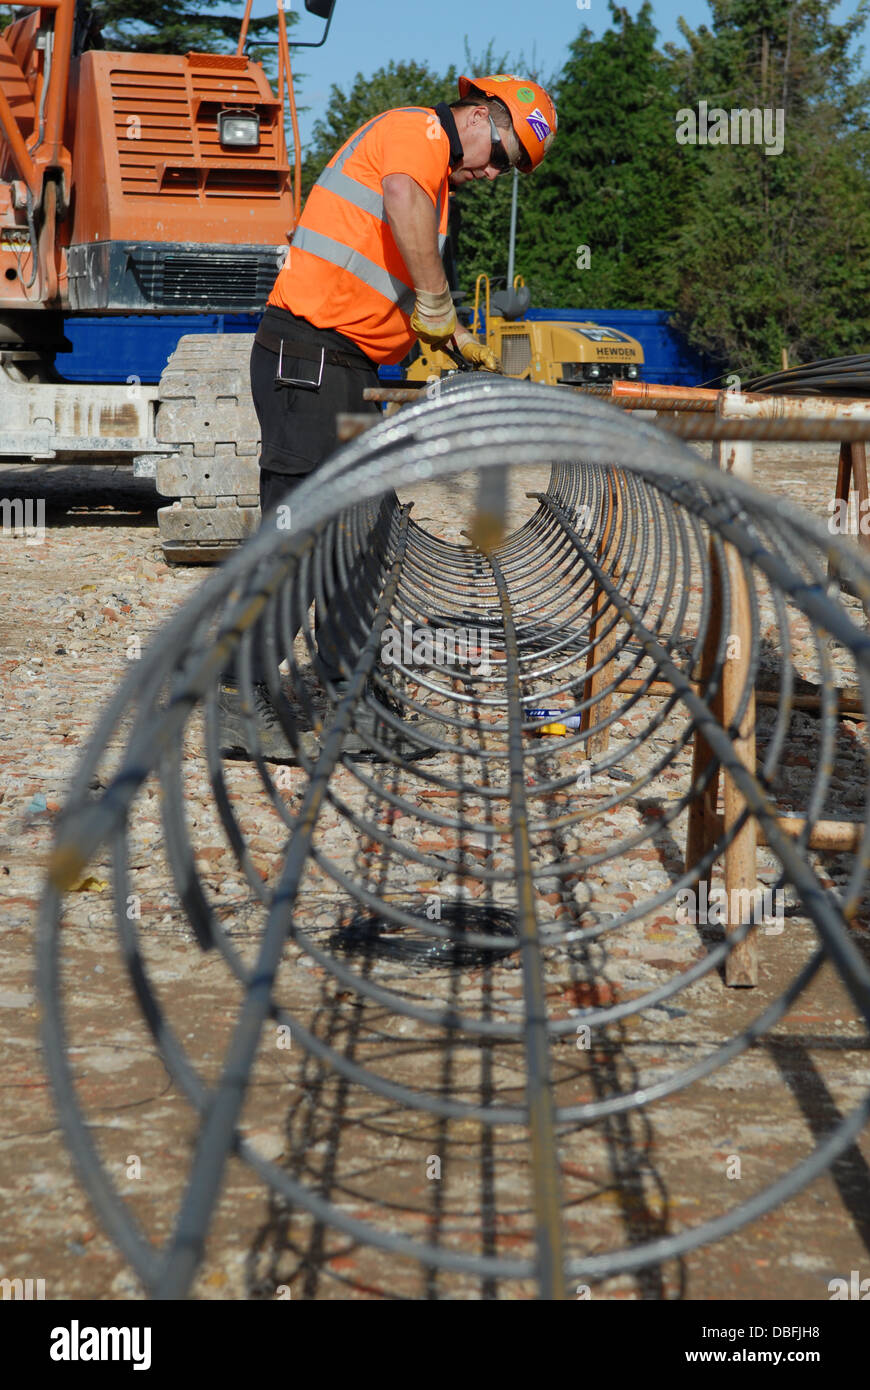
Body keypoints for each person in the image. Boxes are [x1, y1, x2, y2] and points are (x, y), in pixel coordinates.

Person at [220, 74, 558, 761]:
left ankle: (362, 705)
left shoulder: (435, 194)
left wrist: (438, 330)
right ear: (477, 114)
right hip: (307, 358)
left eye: (509, 169)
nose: (494, 174)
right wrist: (435, 301)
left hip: (346, 369)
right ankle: (234, 700)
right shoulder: (417, 134)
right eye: (500, 154)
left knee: (365, 537)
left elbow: (386, 264)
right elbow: (397, 197)